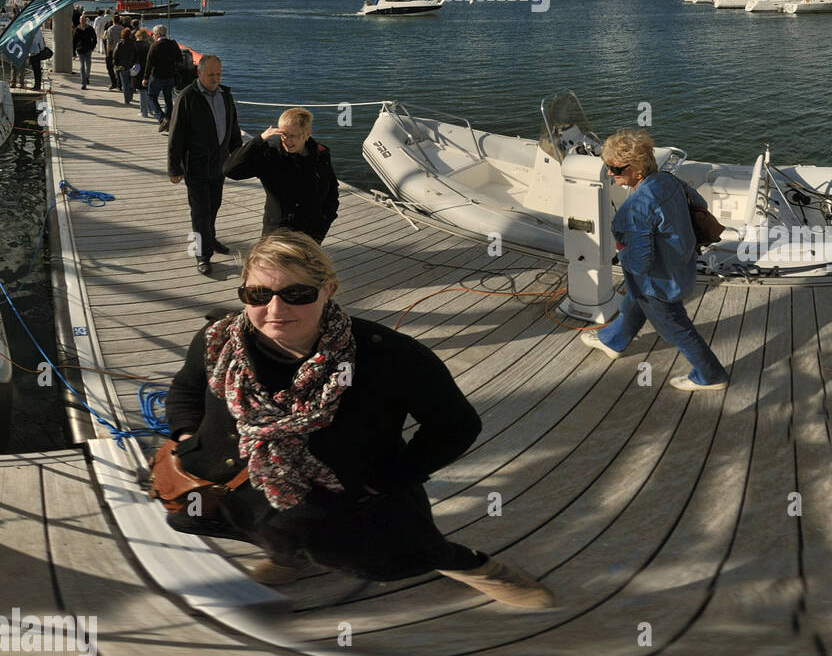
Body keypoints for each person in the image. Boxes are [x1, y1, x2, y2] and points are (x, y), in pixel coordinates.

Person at [163, 232, 553, 606]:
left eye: (298, 294)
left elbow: (457, 426)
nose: (276, 310)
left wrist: (387, 479)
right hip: (238, 484)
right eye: (258, 294)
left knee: (389, 554)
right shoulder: (217, 339)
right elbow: (186, 390)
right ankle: (288, 558)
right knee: (268, 530)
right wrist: (184, 436)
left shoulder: (388, 357)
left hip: (346, 498)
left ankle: (473, 566)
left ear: (329, 288)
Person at [582, 129, 728, 391]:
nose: (608, 174)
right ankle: (612, 340)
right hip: (681, 263)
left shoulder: (632, 211)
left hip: (659, 284)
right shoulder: (667, 179)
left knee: (676, 328)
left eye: (615, 169)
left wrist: (621, 251)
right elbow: (699, 203)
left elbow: (638, 264)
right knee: (635, 300)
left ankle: (711, 374)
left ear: (636, 170)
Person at [165, 51, 244, 268]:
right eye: (210, 75)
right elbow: (176, 135)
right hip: (196, 166)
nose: (215, 79)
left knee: (214, 206)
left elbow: (233, 129)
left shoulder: (226, 95)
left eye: (218, 74)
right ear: (199, 72)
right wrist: (174, 168)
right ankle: (202, 254)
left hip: (219, 165)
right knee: (200, 212)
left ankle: (210, 238)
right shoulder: (187, 97)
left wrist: (238, 155)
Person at [222, 107, 341, 243]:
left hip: (312, 233)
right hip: (277, 233)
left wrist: (326, 219)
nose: (287, 140)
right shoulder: (270, 156)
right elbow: (230, 170)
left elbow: (332, 188)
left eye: (292, 136)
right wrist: (259, 140)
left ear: (307, 134)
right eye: (283, 134)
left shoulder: (321, 154)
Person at [143, 28, 192, 130]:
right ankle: (169, 120)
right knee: (168, 99)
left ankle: (161, 118)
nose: (152, 36)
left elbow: (149, 63)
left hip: (156, 76)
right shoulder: (173, 44)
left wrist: (145, 78)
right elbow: (180, 58)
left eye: (153, 34)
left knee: (151, 97)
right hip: (170, 76)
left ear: (157, 34)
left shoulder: (154, 46)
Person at [71, 14, 100, 90]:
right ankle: (83, 83)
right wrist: (73, 51)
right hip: (80, 49)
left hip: (88, 49)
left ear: (86, 20)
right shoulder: (77, 29)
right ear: (80, 21)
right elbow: (74, 41)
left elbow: (94, 39)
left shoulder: (90, 29)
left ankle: (87, 77)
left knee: (88, 65)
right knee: (82, 67)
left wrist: (92, 48)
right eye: (81, 20)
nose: (83, 21)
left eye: (84, 20)